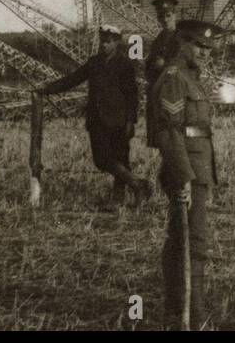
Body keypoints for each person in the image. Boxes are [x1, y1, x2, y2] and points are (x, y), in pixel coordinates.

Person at [155, 19, 223, 328]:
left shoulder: (191, 77)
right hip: (187, 172)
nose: (205, 52)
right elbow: (170, 133)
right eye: (199, 45)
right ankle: (191, 315)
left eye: (209, 48)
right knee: (191, 242)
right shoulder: (174, 77)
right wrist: (182, 176)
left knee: (185, 240)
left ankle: (181, 309)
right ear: (182, 43)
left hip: (198, 168)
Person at [37, 25, 151, 207]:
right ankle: (138, 184)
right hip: (97, 120)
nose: (103, 45)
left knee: (121, 159)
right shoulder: (94, 62)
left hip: (119, 121)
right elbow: (73, 79)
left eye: (107, 42)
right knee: (101, 160)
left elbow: (132, 96)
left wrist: (131, 121)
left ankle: (118, 199)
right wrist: (48, 89)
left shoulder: (125, 65)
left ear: (116, 43)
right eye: (102, 41)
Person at [144, 0, 181, 150]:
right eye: (161, 16)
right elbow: (151, 64)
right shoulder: (159, 39)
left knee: (175, 138)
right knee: (162, 139)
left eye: (168, 15)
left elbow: (184, 64)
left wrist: (164, 65)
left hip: (176, 92)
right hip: (159, 92)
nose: (165, 20)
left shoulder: (182, 38)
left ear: (175, 15)